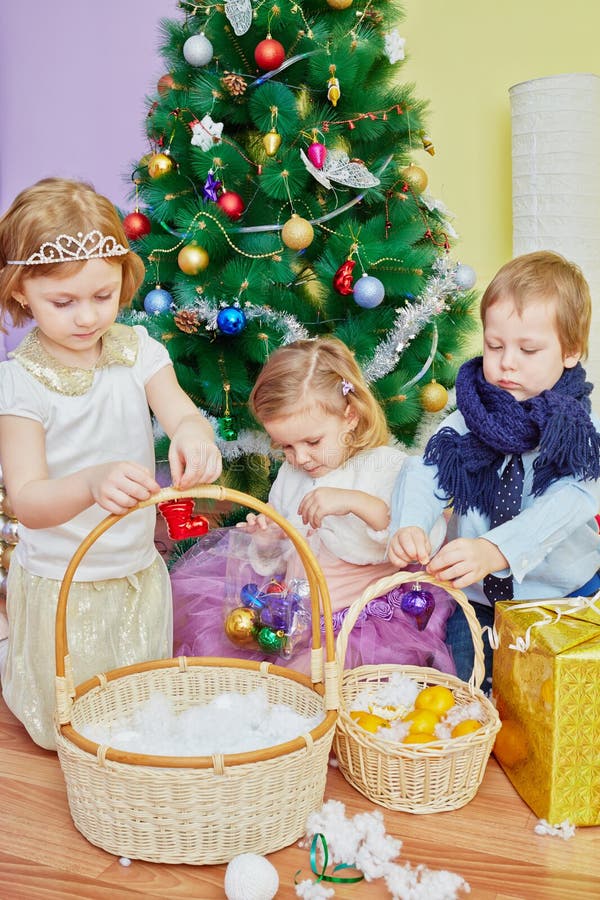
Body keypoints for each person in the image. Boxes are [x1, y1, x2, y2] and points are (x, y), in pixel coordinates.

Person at [0, 177, 222, 749]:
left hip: (134, 566)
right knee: (69, 726)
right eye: (63, 302)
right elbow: (28, 501)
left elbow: (183, 414)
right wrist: (91, 482)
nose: (86, 317)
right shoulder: (19, 384)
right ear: (21, 291)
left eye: (103, 296)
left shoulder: (138, 352)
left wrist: (194, 437)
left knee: (138, 711)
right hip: (63, 579)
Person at [170, 337, 455, 675]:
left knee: (307, 681)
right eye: (286, 446)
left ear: (350, 416)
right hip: (290, 618)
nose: (301, 458)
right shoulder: (291, 475)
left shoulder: (384, 466)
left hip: (353, 624)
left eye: (312, 442)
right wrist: (267, 539)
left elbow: (406, 534)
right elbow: (283, 550)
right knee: (240, 672)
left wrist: (351, 501)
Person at [388, 251, 600, 684]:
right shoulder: (469, 417)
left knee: (554, 700)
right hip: (477, 600)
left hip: (561, 597)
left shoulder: (580, 432)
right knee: (464, 686)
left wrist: (495, 550)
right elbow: (428, 472)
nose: (507, 362)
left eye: (528, 349)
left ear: (570, 351)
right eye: (494, 346)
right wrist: (411, 524)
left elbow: (570, 503)